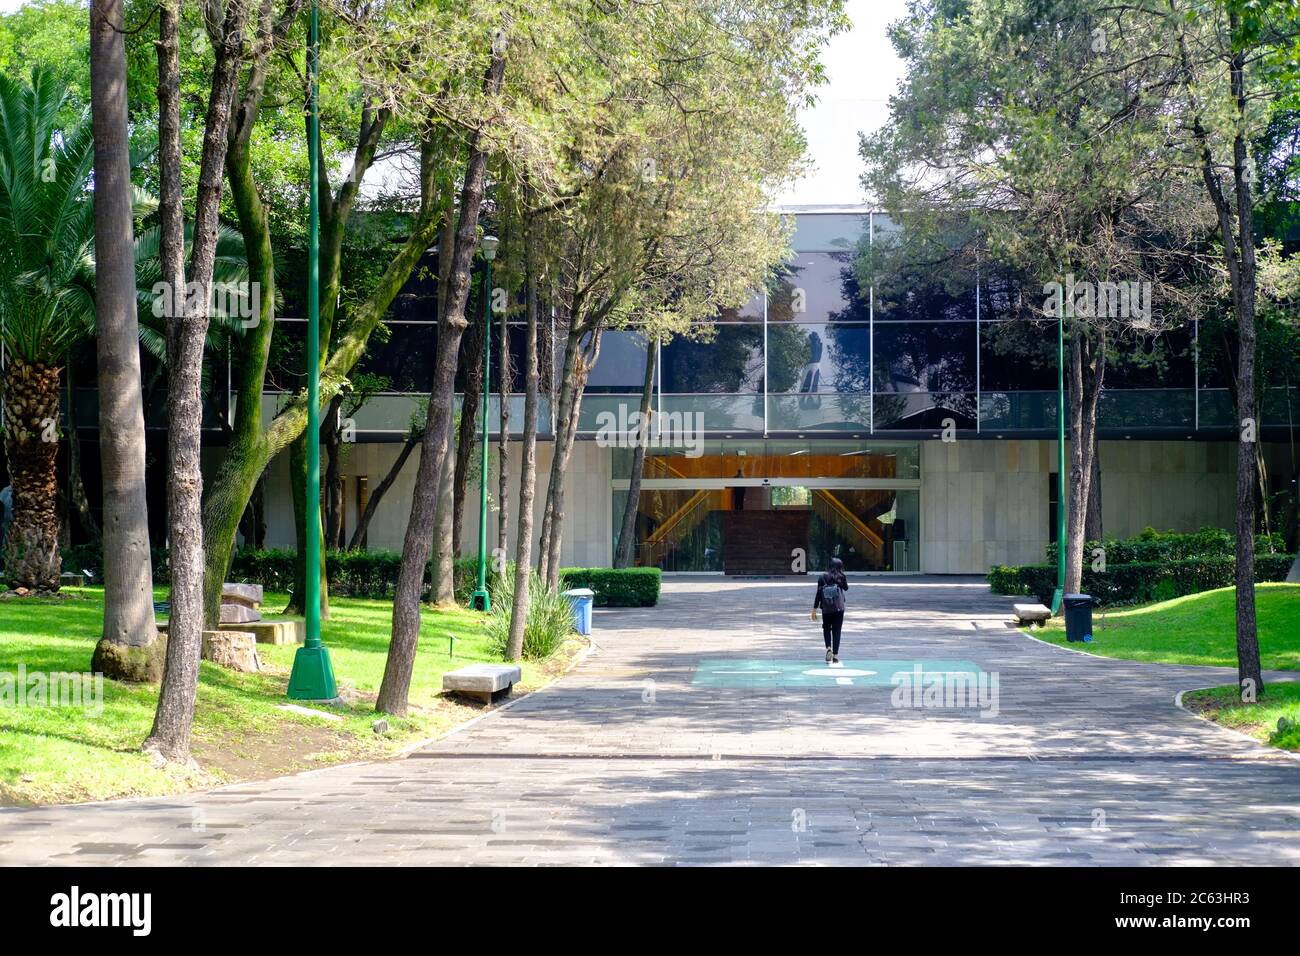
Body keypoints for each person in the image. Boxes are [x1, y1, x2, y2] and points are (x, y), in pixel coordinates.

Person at [811, 556, 848, 663]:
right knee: (837, 630)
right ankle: (835, 656)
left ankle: (828, 648)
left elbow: (818, 594)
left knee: (826, 628)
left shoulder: (822, 577)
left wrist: (814, 609)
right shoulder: (841, 576)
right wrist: (840, 579)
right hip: (839, 608)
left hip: (826, 608)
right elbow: (846, 588)